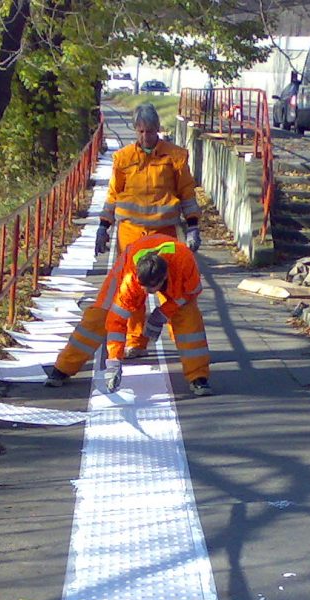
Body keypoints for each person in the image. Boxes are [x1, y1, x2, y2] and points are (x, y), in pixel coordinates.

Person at [45, 233, 212, 396]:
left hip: (177, 275)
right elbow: (116, 321)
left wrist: (162, 312)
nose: (146, 293)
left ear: (164, 278)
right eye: (143, 287)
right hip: (127, 265)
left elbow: (193, 290)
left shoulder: (184, 261)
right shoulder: (131, 279)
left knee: (189, 319)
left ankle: (198, 377)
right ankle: (63, 368)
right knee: (100, 315)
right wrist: (114, 362)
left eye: (151, 289)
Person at [96, 103, 201, 359]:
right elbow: (113, 196)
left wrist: (193, 226)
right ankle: (135, 341)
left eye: (151, 131)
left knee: (172, 287)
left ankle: (184, 344)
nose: (146, 137)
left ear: (158, 130)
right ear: (135, 130)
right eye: (141, 131)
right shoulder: (123, 159)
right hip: (130, 232)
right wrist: (103, 226)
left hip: (163, 232)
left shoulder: (174, 157)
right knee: (133, 289)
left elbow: (187, 192)